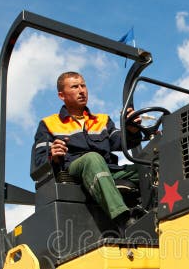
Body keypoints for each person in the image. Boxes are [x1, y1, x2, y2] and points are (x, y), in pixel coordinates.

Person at [31, 71, 144, 227]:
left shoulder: (102, 120)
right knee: (92, 158)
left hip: (107, 170)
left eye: (83, 86)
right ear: (62, 95)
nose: (81, 90)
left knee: (150, 166)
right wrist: (53, 156)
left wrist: (131, 130)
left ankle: (160, 212)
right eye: (75, 87)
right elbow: (39, 162)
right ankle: (124, 220)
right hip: (74, 172)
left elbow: (122, 142)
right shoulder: (49, 124)